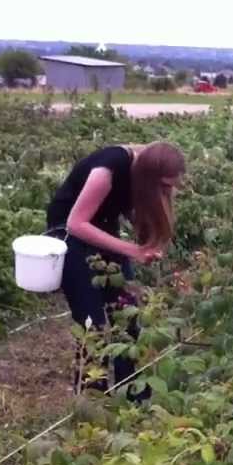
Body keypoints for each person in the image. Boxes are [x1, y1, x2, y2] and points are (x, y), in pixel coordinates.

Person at [45, 142, 186, 395]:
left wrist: (151, 244)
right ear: (149, 177)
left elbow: (129, 210)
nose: (167, 191)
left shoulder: (148, 171)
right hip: (69, 235)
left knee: (128, 314)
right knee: (93, 323)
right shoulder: (108, 169)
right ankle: (93, 399)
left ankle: (133, 395)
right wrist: (132, 250)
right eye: (164, 185)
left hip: (102, 229)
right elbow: (76, 223)